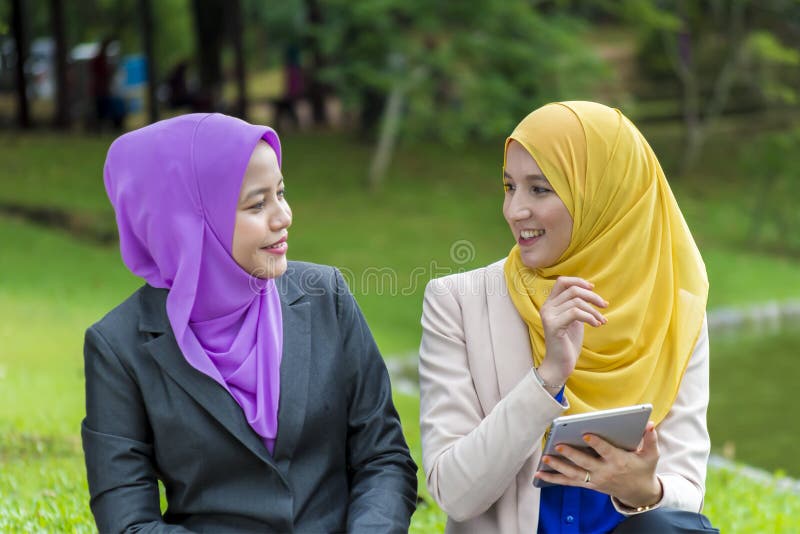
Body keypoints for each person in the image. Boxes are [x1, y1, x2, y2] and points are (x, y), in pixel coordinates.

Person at [82, 113, 417, 532]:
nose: (284, 216)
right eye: (258, 204)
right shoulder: (117, 348)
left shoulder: (325, 295)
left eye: (281, 192)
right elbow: (128, 523)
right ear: (189, 223)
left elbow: (383, 457)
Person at [418, 101, 719, 533]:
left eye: (539, 189)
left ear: (604, 194)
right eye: (509, 186)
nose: (514, 210)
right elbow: (454, 493)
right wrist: (547, 378)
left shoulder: (673, 310)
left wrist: (644, 489)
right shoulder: (459, 302)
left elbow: (687, 488)